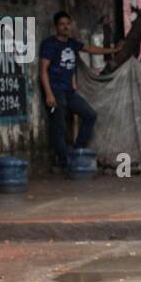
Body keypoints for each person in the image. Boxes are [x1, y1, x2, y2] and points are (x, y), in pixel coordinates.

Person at [39, 12, 120, 171]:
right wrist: (49, 93)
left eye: (68, 24)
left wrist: (114, 50)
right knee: (59, 126)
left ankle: (77, 151)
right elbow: (43, 70)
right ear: (56, 27)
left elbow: (90, 49)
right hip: (55, 90)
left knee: (90, 115)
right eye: (62, 24)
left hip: (69, 91)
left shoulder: (72, 43)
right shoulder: (49, 44)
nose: (66, 27)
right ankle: (64, 163)